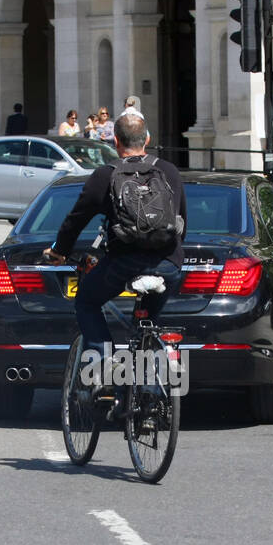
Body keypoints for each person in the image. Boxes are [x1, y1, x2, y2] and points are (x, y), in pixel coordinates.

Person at [42, 113, 185, 371]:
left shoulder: (104, 176)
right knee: (148, 321)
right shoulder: (169, 171)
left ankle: (105, 362)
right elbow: (181, 222)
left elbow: (75, 220)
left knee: (86, 301)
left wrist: (60, 250)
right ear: (148, 139)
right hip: (168, 263)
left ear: (115, 141)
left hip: (124, 263)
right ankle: (151, 373)